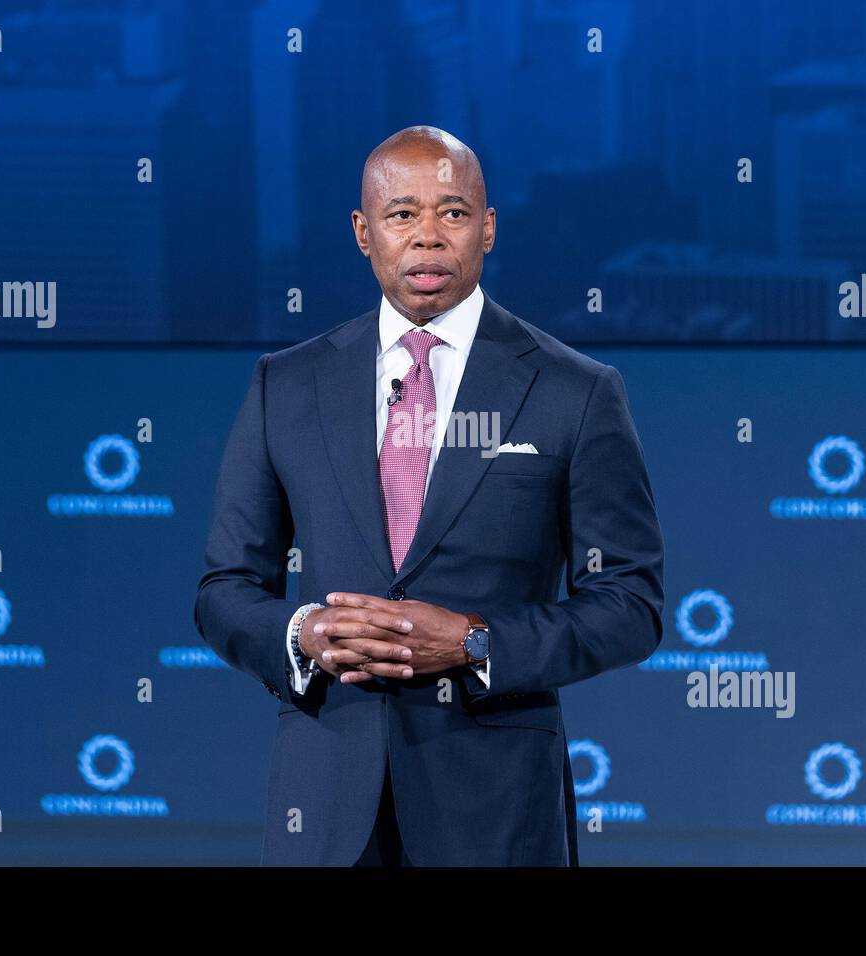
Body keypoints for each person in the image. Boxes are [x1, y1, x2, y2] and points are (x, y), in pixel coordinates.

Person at [194, 126, 665, 866]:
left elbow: (629, 603)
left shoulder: (575, 391)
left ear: (488, 228)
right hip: (324, 807)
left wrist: (476, 642)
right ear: (362, 232)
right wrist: (305, 634)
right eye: (401, 214)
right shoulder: (284, 386)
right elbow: (225, 590)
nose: (427, 239)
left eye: (452, 213)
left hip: (498, 809)